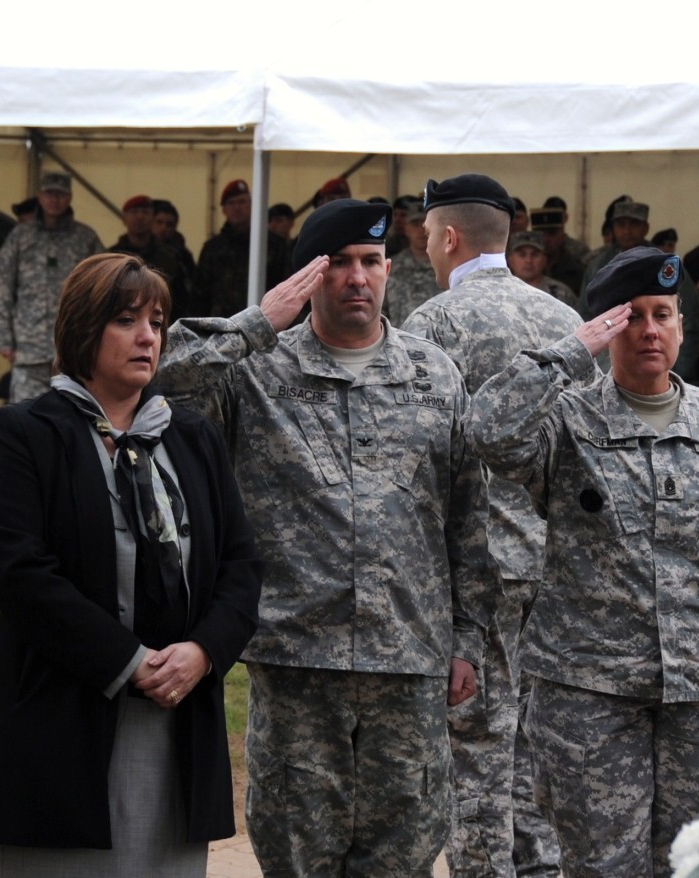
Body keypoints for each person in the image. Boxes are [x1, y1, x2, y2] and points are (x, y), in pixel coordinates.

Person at [155, 198, 490, 875]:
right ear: (308, 276)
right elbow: (158, 382)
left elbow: (467, 518)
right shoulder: (257, 370)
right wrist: (258, 323)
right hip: (297, 663)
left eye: (371, 262)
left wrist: (469, 640)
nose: (357, 278)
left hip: (409, 660)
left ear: (389, 269)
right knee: (297, 855)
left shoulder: (435, 375)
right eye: (337, 263)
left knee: (403, 856)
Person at [469, 246, 699, 877]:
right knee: (601, 867)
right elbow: (488, 430)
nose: (650, 330)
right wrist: (571, 352)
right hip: (589, 693)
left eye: (663, 315)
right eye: (632, 317)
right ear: (606, 329)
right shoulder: (566, 421)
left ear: (682, 326)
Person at [0, 252, 262, 875]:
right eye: (126, 320)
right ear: (81, 329)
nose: (148, 336)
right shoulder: (22, 435)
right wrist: (129, 662)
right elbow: (19, 575)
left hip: (178, 724)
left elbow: (240, 565)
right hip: (59, 729)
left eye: (156, 321)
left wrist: (203, 652)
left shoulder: (193, 437)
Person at [403, 173, 582, 878]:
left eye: (426, 237)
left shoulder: (433, 324)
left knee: (475, 747)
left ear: (449, 237)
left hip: (476, 572)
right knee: (539, 745)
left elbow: (417, 457)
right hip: (557, 565)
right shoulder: (564, 321)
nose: (425, 250)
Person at [0, 171, 103, 402]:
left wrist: (94, 341)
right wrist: (4, 339)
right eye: (49, 194)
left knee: (71, 414)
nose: (54, 200)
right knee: (24, 415)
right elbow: (1, 287)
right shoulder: (20, 236)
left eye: (60, 194)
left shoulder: (85, 238)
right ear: (40, 196)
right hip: (28, 351)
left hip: (71, 351)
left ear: (70, 197)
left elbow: (103, 290)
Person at [194, 179, 291, 318]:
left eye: (242, 202)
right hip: (221, 323)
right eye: (231, 203)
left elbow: (285, 286)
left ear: (252, 205)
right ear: (223, 210)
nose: (237, 208)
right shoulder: (213, 249)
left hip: (264, 321)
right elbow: (200, 295)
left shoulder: (273, 245)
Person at [109, 195, 192, 320]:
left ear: (152, 218)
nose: (140, 217)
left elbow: (181, 297)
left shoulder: (169, 256)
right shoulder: (113, 257)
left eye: (145, 212)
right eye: (134, 212)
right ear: (124, 219)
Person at [382, 201, 443, 326]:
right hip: (400, 336)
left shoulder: (446, 267)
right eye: (415, 224)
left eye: (426, 223)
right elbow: (380, 311)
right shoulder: (392, 267)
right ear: (406, 228)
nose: (421, 229)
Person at [507, 229, 580, 309]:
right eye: (522, 255)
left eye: (535, 255)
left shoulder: (561, 293)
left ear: (545, 259)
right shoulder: (502, 291)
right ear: (511, 259)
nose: (528, 261)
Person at [531, 205, 585, 295]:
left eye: (552, 234)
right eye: (541, 234)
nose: (546, 239)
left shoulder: (575, 270)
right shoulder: (525, 268)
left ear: (562, 235)